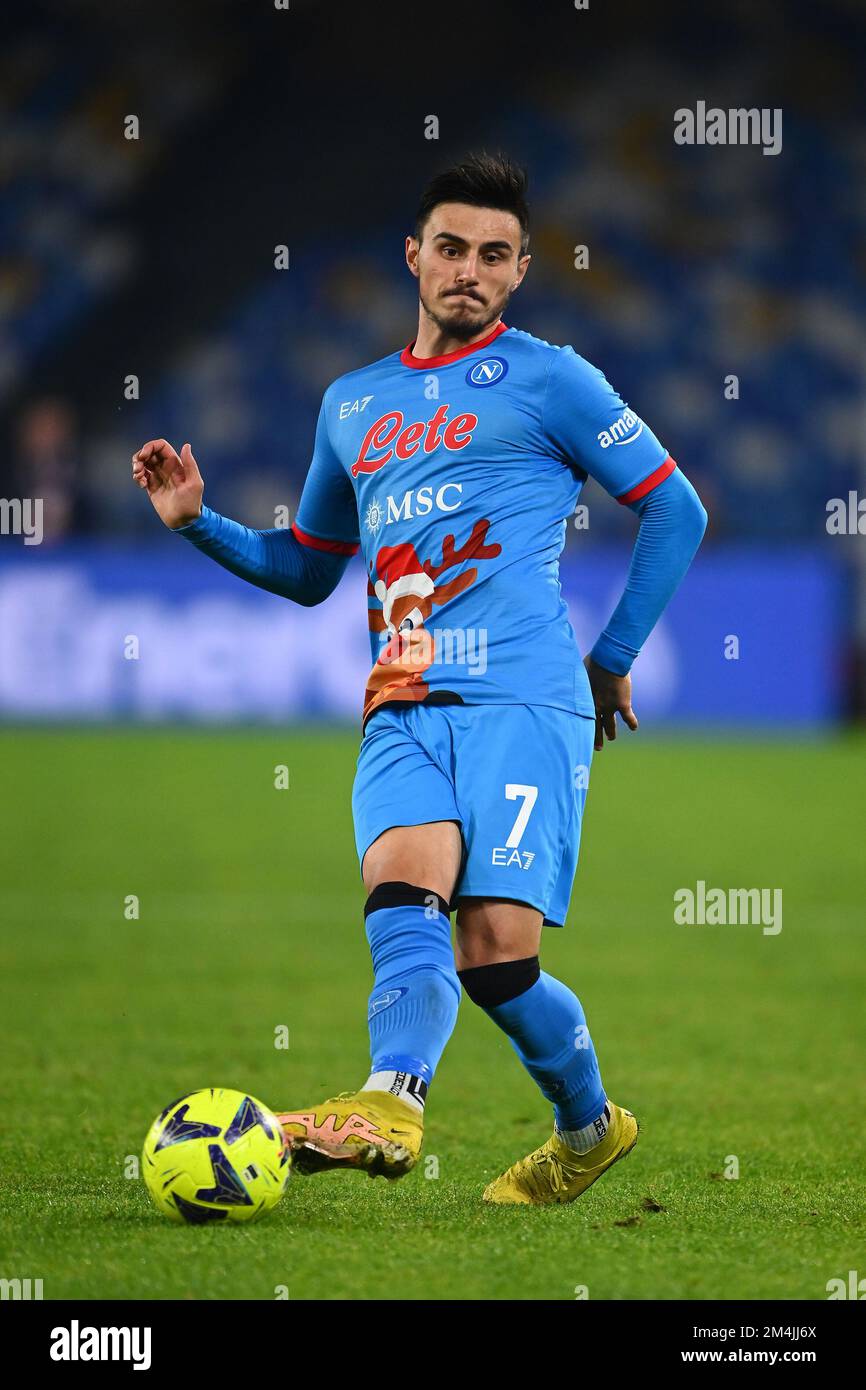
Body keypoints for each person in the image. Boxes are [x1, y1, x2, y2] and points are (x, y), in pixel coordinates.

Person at [132, 153, 707, 1205]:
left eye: (494, 255)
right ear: (413, 255)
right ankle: (389, 1097)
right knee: (401, 901)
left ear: (520, 270)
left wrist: (610, 659)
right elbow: (309, 569)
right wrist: (197, 524)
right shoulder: (350, 403)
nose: (468, 271)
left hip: (522, 702)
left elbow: (677, 509)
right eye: (450, 248)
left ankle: (588, 1128)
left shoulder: (552, 379)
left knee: (495, 961)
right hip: (400, 701)